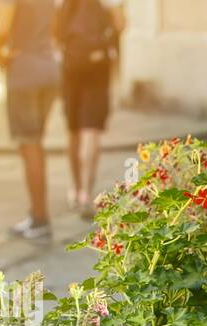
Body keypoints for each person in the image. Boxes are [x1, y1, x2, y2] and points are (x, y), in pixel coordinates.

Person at [55, 0, 125, 219]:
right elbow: (120, 24)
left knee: (73, 130)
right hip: (98, 67)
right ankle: (86, 192)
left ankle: (75, 190)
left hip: (71, 67)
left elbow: (55, 28)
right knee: (91, 130)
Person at [0, 0, 59, 240]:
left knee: (29, 145)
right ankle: (36, 215)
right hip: (49, 69)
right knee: (36, 144)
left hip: (24, 70)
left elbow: (4, 26)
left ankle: (40, 218)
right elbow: (54, 27)